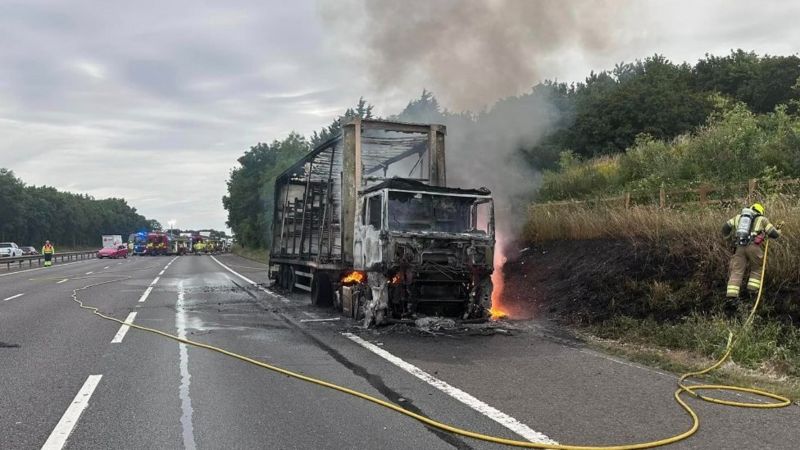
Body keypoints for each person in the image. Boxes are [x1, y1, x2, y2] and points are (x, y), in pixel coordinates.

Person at [722, 203, 781, 298]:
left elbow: (725, 228)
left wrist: (729, 240)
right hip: (754, 247)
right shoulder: (762, 219)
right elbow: (773, 234)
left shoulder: (738, 217)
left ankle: (731, 295)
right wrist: (779, 231)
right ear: (761, 211)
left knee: (736, 270)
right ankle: (752, 292)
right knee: (757, 267)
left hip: (739, 248)